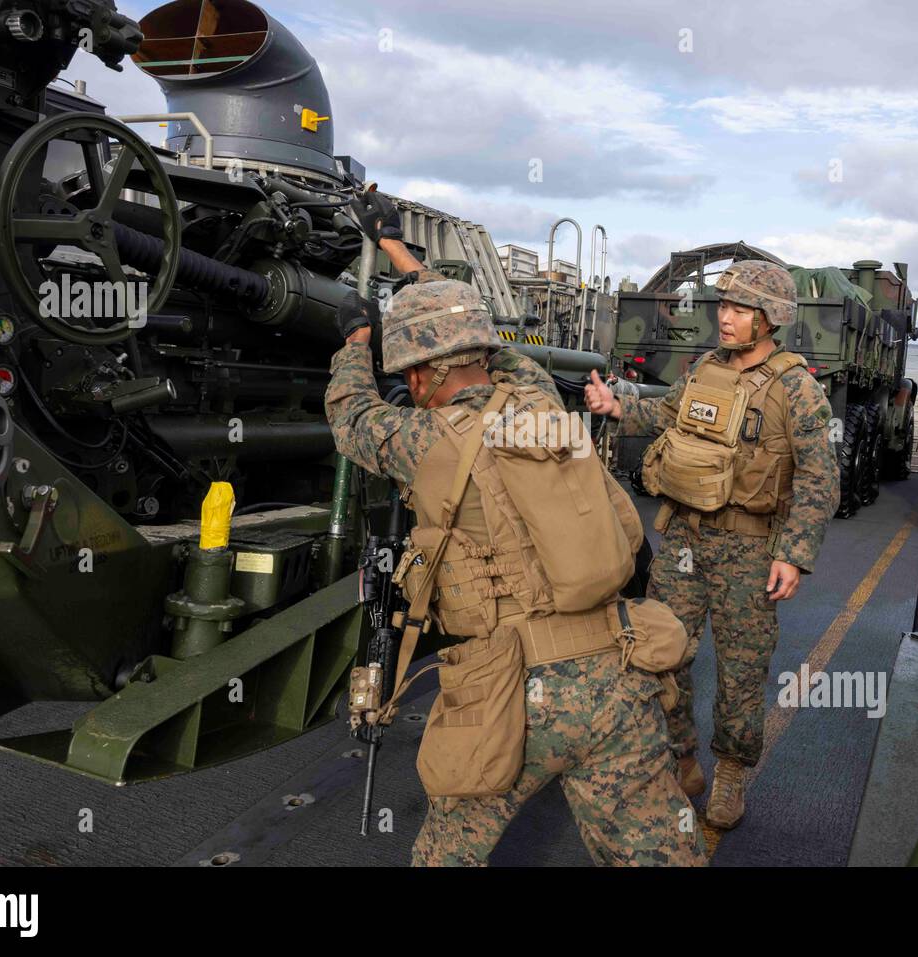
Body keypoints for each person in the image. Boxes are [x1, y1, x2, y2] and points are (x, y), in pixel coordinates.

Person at [325, 189, 705, 866]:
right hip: (613, 674)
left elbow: (351, 418)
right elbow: (483, 344)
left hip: (506, 692)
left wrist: (356, 343)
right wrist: (399, 253)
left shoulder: (420, 439)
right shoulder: (534, 396)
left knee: (446, 856)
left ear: (416, 378)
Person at [584, 259, 839, 829]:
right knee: (661, 654)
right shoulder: (704, 368)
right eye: (723, 306)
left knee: (741, 672)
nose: (725, 318)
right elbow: (668, 413)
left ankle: (729, 775)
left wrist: (793, 553)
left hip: (750, 549)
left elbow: (820, 477)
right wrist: (617, 406)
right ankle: (681, 758)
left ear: (769, 319)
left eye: (740, 309)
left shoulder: (796, 388)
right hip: (684, 539)